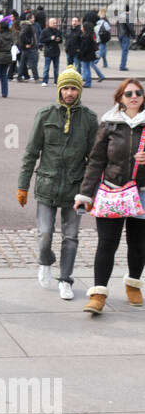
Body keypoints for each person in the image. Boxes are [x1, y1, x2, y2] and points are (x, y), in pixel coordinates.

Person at [16, 68, 98, 301]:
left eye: (74, 88)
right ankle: (45, 260)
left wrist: (90, 192)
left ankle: (65, 279)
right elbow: (31, 152)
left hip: (76, 188)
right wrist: (23, 185)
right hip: (47, 184)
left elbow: (95, 159)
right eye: (66, 88)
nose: (69, 93)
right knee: (44, 234)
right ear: (59, 89)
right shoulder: (45, 115)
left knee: (71, 237)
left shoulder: (90, 119)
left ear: (79, 91)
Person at [76, 77, 145, 314]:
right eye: (129, 93)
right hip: (112, 192)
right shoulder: (109, 124)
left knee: (139, 244)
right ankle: (98, 293)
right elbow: (96, 160)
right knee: (107, 243)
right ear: (119, 98)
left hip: (142, 194)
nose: (134, 96)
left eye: (138, 92)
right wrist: (85, 194)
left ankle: (133, 283)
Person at [76, 19, 104, 88]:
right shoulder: (89, 35)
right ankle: (87, 80)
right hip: (89, 55)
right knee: (87, 68)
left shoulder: (86, 36)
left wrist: (80, 52)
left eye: (82, 27)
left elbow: (85, 47)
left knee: (86, 68)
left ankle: (88, 82)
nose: (81, 28)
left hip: (86, 55)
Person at [39, 17, 63, 85]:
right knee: (46, 68)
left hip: (56, 51)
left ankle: (56, 81)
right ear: (49, 23)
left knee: (56, 68)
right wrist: (50, 38)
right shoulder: (45, 31)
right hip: (48, 51)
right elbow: (41, 40)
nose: (55, 24)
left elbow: (61, 40)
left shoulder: (58, 31)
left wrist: (59, 39)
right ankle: (44, 81)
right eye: (53, 23)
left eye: (55, 23)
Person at [16, 14, 37, 81]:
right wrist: (28, 43)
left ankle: (19, 77)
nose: (34, 19)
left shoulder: (26, 25)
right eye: (33, 18)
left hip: (26, 47)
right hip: (28, 47)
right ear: (29, 19)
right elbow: (22, 35)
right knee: (33, 62)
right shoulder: (27, 25)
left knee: (22, 63)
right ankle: (36, 77)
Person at [118, 9, 134, 73]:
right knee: (125, 51)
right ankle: (122, 66)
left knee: (123, 51)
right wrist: (133, 35)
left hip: (120, 35)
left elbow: (118, 26)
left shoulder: (121, 16)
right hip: (125, 35)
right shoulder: (128, 17)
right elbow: (130, 27)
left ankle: (122, 65)